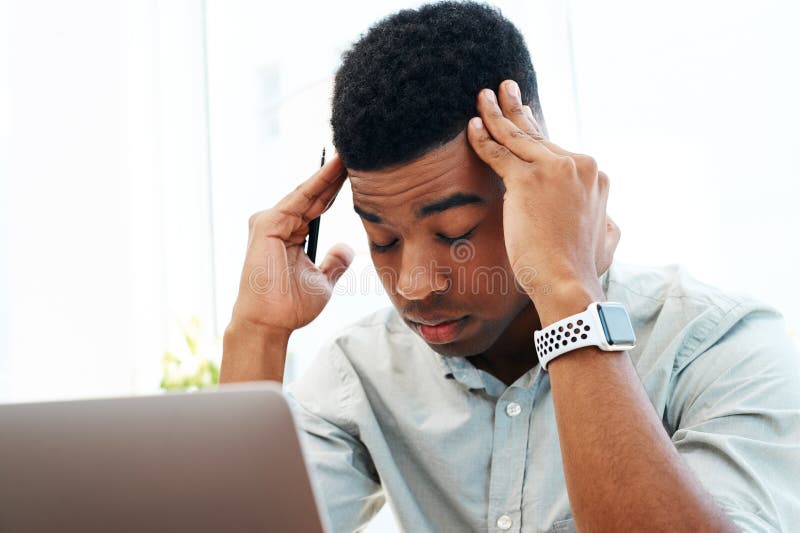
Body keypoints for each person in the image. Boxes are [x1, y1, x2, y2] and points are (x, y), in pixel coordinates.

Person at [220, 2, 800, 531]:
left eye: (455, 233)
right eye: (383, 239)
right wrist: (257, 333)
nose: (415, 285)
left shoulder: (717, 345)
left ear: (540, 186)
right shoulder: (363, 371)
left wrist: (568, 293)